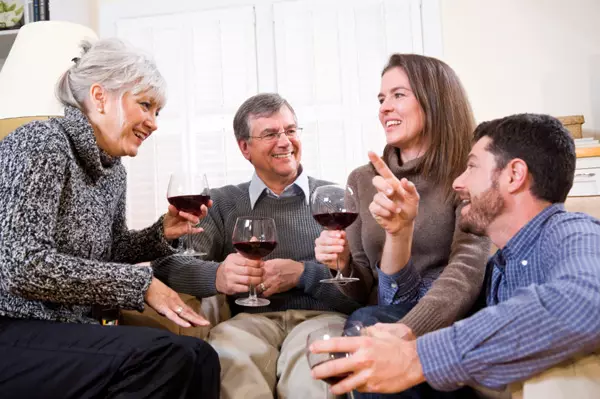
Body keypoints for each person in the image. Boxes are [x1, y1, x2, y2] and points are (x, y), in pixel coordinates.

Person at [309, 113, 600, 397]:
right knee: (371, 324)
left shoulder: (572, 232)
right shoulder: (500, 268)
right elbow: (398, 310)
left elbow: (586, 302)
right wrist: (399, 233)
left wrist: (419, 357)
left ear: (514, 175)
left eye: (471, 167)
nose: (458, 182)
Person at [0, 38, 220, 398]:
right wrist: (141, 284)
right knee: (172, 358)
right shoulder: (40, 143)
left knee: (201, 358)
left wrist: (159, 233)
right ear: (100, 97)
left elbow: (109, 251)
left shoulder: (112, 168)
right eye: (145, 105)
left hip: (67, 329)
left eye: (158, 112)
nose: (153, 122)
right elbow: (22, 265)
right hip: (12, 326)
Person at [152, 92, 362, 399]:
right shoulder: (221, 203)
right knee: (230, 361)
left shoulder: (335, 200)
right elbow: (170, 264)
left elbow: (361, 290)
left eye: (290, 130)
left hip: (322, 319)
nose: (285, 141)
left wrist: (303, 273)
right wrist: (218, 275)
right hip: (248, 323)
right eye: (270, 134)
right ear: (245, 147)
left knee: (310, 377)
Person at [314, 53, 490, 397]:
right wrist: (341, 263)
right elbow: (362, 285)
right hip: (382, 313)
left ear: (434, 99)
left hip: (449, 316)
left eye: (398, 95)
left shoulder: (467, 174)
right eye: (381, 99)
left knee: (368, 330)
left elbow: (468, 268)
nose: (384, 108)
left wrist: (406, 331)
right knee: (366, 322)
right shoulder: (363, 180)